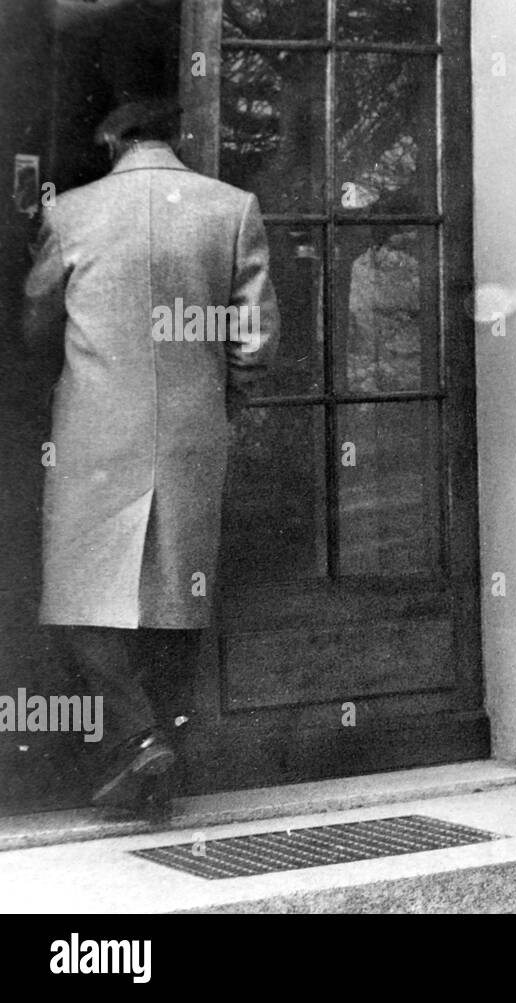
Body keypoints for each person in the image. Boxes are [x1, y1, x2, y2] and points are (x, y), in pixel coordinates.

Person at [23, 98, 280, 822]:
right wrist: (223, 398)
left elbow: (36, 324)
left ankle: (138, 739)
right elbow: (254, 341)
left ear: (110, 140)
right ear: (177, 138)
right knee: (177, 595)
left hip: (92, 434)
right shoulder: (231, 208)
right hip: (194, 433)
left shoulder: (70, 212)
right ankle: (155, 757)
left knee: (76, 595)